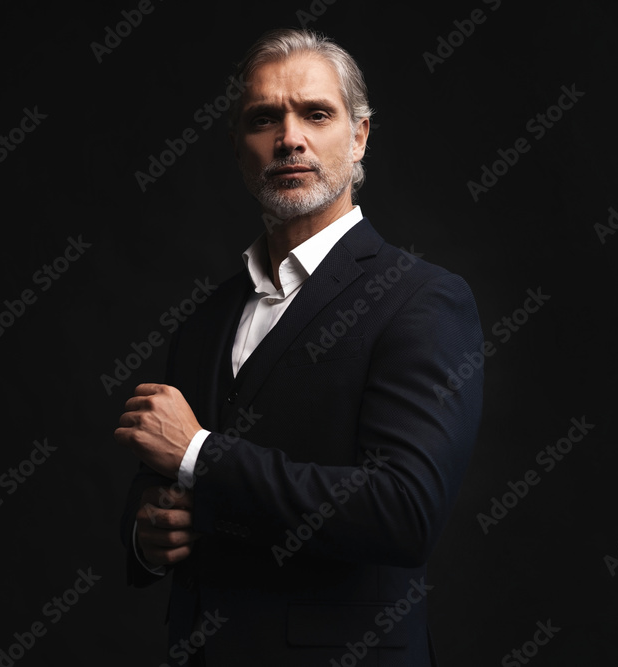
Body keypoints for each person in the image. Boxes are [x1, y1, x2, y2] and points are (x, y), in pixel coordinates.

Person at [116, 27, 483, 666]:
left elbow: (404, 512)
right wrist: (148, 533)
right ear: (238, 147)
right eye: (264, 119)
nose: (290, 138)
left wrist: (200, 454)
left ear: (360, 134)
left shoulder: (422, 301)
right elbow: (164, 488)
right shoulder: (207, 318)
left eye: (316, 113)